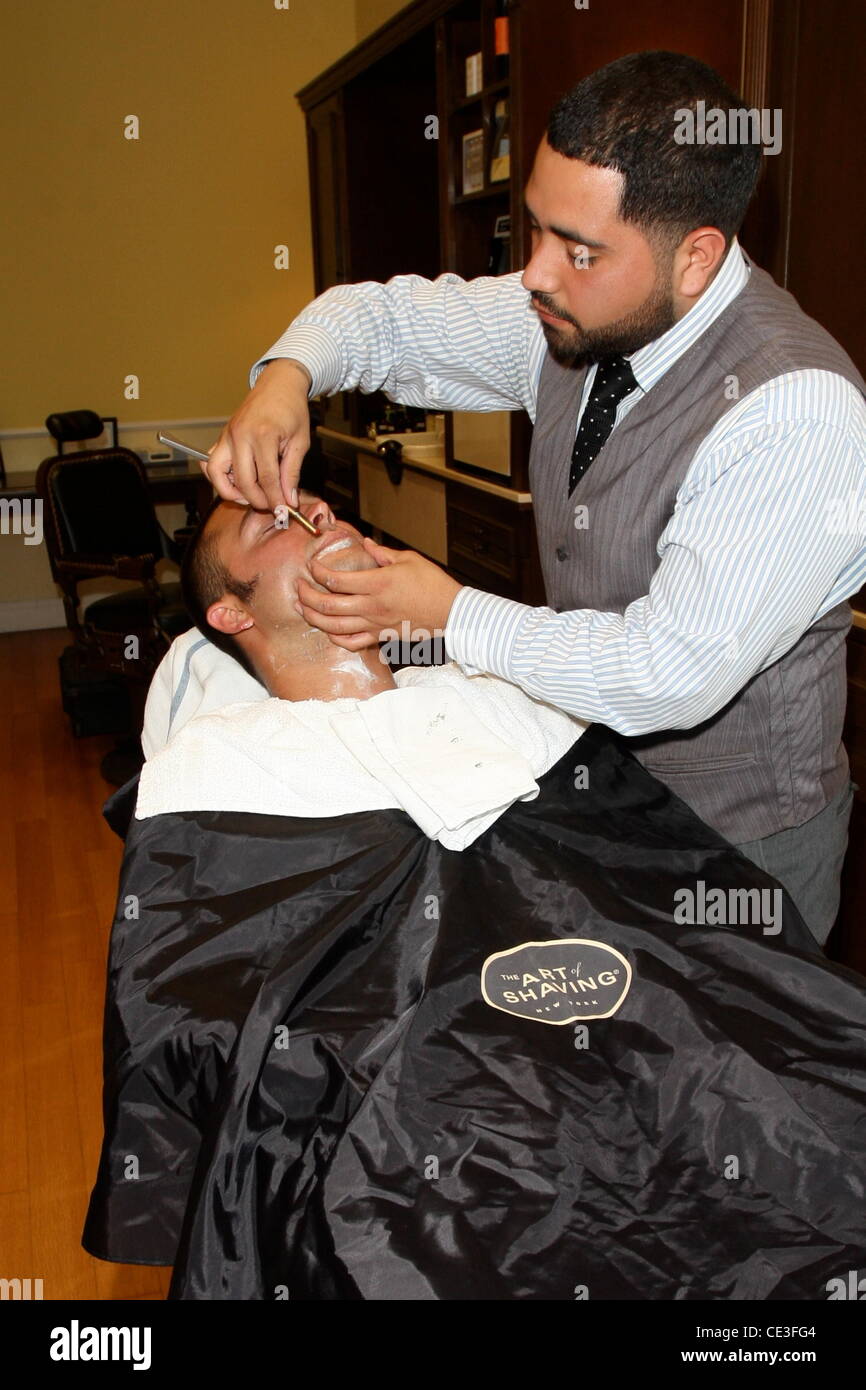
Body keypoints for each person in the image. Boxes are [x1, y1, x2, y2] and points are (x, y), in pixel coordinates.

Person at [200, 51, 866, 945]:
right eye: (537, 228)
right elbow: (382, 321)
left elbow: (665, 674)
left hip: (738, 847)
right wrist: (286, 377)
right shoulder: (571, 310)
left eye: (578, 249)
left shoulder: (796, 413)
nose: (536, 275)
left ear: (697, 258)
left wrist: (447, 613)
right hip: (589, 794)